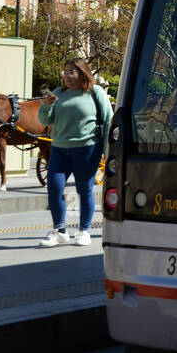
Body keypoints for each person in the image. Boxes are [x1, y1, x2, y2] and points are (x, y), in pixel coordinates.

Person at [36, 58, 112, 246]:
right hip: (60, 149)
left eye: (72, 72)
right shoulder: (57, 93)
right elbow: (45, 121)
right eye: (66, 71)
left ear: (82, 73)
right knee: (54, 188)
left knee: (84, 190)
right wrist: (47, 105)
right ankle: (59, 230)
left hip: (87, 149)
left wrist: (108, 151)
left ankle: (84, 230)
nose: (67, 76)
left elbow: (109, 120)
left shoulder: (95, 93)